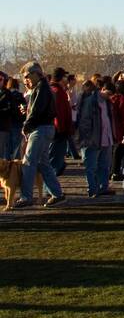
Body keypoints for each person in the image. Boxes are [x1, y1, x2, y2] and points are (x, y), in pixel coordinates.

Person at [15, 61, 65, 208]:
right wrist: (28, 110)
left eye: (27, 76)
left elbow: (37, 111)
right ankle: (57, 194)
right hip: (46, 128)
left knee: (28, 162)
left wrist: (26, 125)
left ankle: (26, 197)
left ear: (36, 74)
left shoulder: (42, 89)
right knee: (44, 164)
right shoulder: (43, 88)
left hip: (40, 129)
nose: (26, 80)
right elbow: (38, 109)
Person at [77, 78, 116, 197]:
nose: (109, 97)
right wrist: (87, 138)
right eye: (108, 94)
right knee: (91, 166)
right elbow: (85, 121)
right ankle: (93, 189)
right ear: (102, 89)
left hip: (106, 138)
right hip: (93, 139)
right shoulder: (91, 101)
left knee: (104, 165)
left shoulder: (107, 103)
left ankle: (103, 187)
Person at [48, 66, 73, 177]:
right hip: (58, 131)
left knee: (55, 160)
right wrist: (61, 129)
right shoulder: (57, 91)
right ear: (60, 77)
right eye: (65, 76)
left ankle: (50, 188)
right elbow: (58, 112)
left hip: (58, 129)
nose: (66, 79)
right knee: (54, 160)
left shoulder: (56, 90)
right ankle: (48, 189)